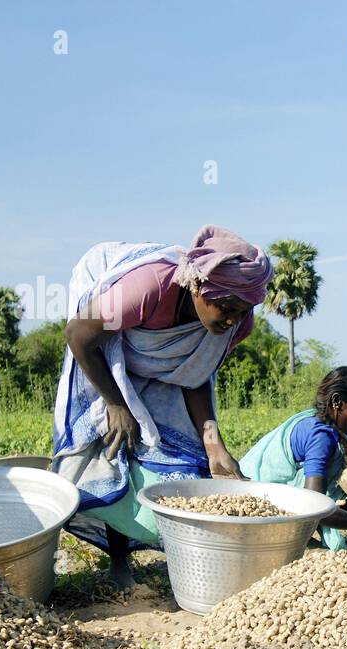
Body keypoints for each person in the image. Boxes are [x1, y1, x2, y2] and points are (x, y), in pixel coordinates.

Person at [52, 225, 273, 588]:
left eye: (242, 310)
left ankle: (185, 555)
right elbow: (79, 335)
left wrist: (213, 442)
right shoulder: (149, 287)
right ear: (198, 287)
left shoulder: (237, 322)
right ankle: (118, 557)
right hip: (108, 354)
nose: (233, 319)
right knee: (113, 449)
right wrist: (115, 403)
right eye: (226, 308)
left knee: (190, 461)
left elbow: (195, 371)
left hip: (165, 375)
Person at [239, 367, 347, 550]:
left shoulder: (323, 427)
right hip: (253, 509)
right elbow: (315, 508)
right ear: (337, 402)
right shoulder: (320, 436)